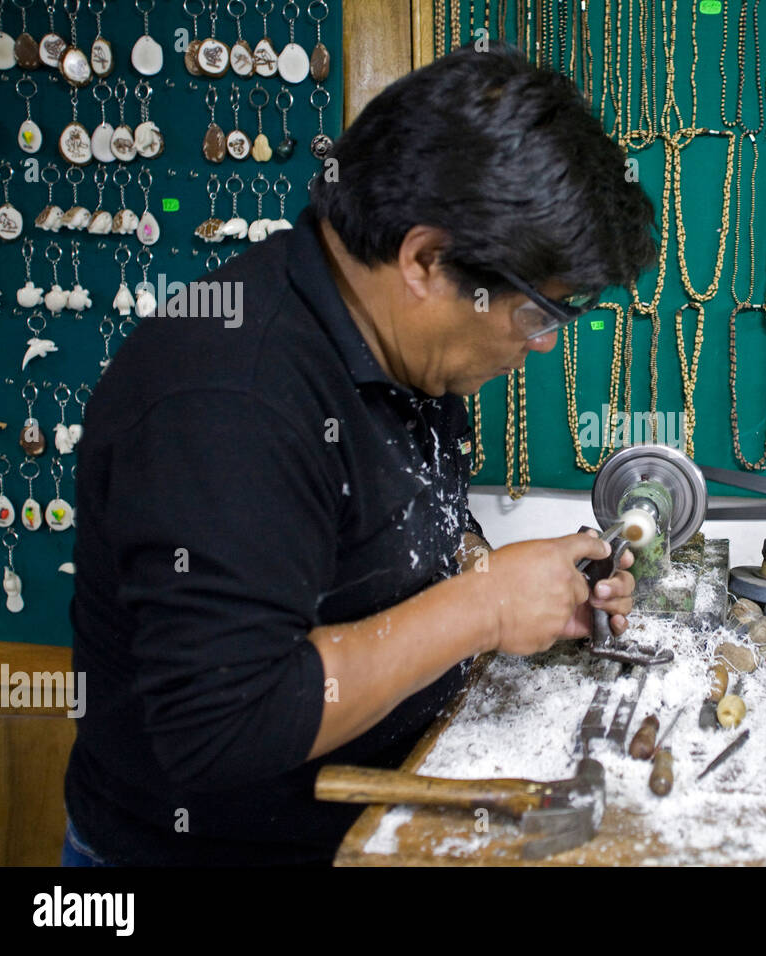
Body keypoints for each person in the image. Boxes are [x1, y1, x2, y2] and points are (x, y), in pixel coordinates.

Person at [63, 42, 657, 866]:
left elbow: (405, 531)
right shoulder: (228, 398)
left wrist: (530, 587)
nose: (545, 345)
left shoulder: (394, 342)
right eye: (538, 312)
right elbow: (226, 723)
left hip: (372, 821)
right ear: (424, 260)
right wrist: (481, 608)